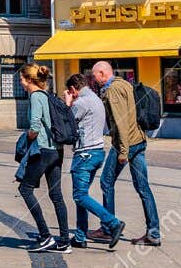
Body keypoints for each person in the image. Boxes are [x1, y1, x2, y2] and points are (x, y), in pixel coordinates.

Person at [93, 60, 162, 246]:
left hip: (126, 144)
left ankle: (108, 228)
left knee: (106, 182)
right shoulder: (125, 83)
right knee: (143, 188)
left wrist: (122, 151)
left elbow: (121, 121)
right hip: (139, 141)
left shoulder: (113, 90)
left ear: (102, 73)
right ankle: (153, 233)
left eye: (95, 76)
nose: (94, 79)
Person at [66, 73, 125, 250]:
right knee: (81, 195)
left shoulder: (81, 102)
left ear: (73, 89)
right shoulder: (96, 99)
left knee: (79, 195)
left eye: (70, 92)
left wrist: (68, 104)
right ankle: (80, 236)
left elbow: (67, 123)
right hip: (98, 151)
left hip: (85, 154)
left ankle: (112, 222)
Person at [17, 64, 69, 253]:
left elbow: (35, 126)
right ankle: (64, 241)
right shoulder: (47, 95)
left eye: (22, 79)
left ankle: (46, 236)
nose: (20, 82)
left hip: (43, 150)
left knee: (25, 189)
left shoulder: (36, 96)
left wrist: (27, 138)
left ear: (29, 80)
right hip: (57, 149)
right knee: (56, 195)